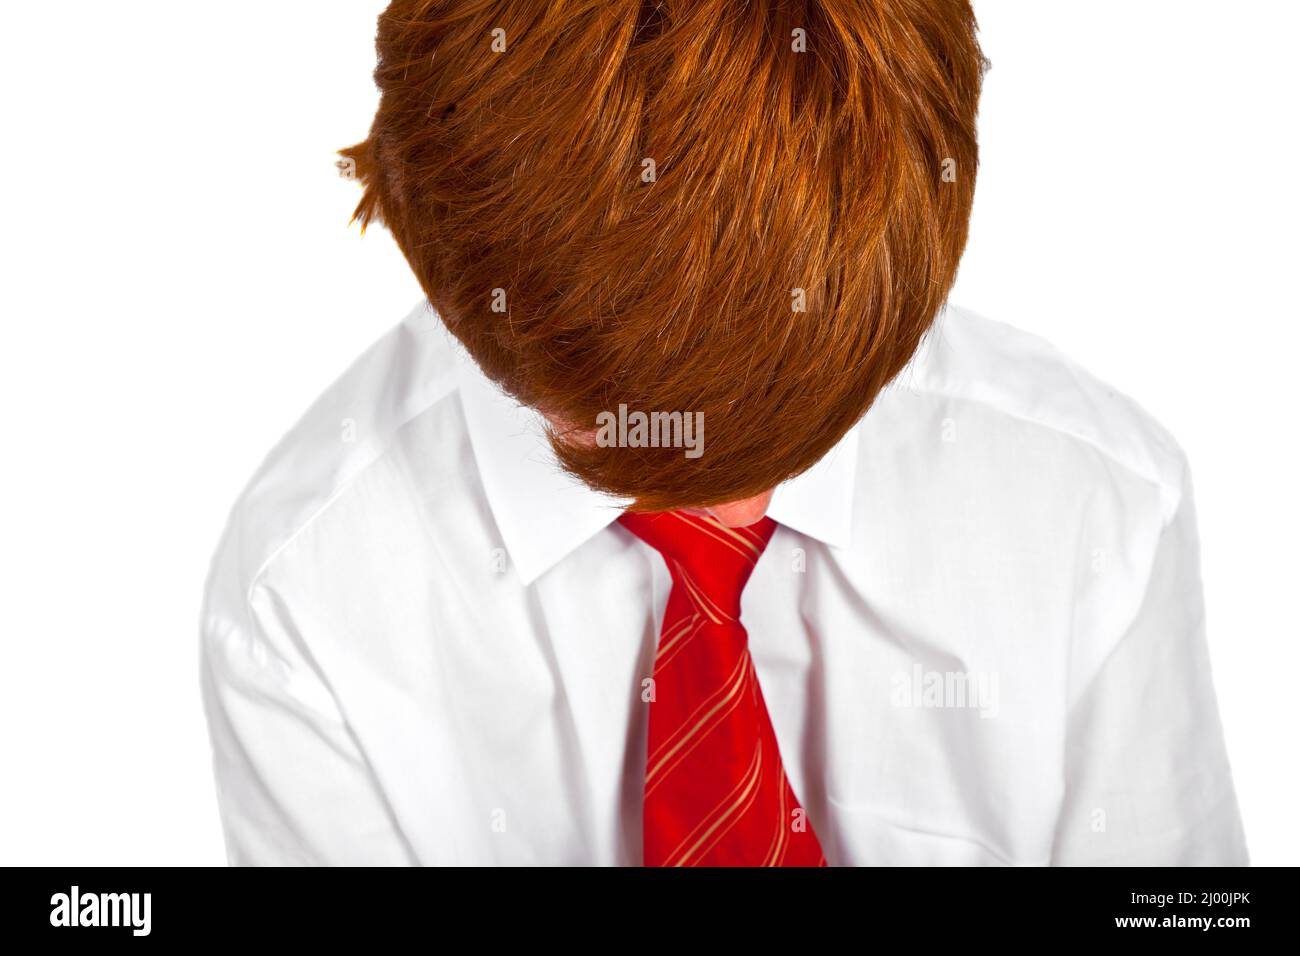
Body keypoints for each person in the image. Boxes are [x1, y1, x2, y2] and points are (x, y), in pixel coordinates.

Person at [199, 0, 1248, 865]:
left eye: (791, 440)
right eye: (626, 449)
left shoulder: (1099, 512)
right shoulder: (305, 604)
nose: (730, 500)